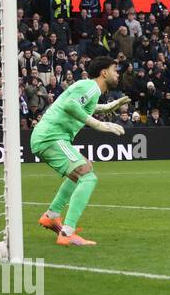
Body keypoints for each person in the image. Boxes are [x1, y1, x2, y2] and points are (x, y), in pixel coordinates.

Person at [29, 56, 128, 246]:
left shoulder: (89, 90)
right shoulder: (89, 86)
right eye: (115, 69)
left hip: (51, 137)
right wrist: (98, 124)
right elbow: (70, 105)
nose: (118, 73)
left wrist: (105, 107)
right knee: (88, 176)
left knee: (83, 169)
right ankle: (67, 233)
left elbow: (74, 103)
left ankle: (52, 215)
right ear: (104, 72)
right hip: (51, 137)